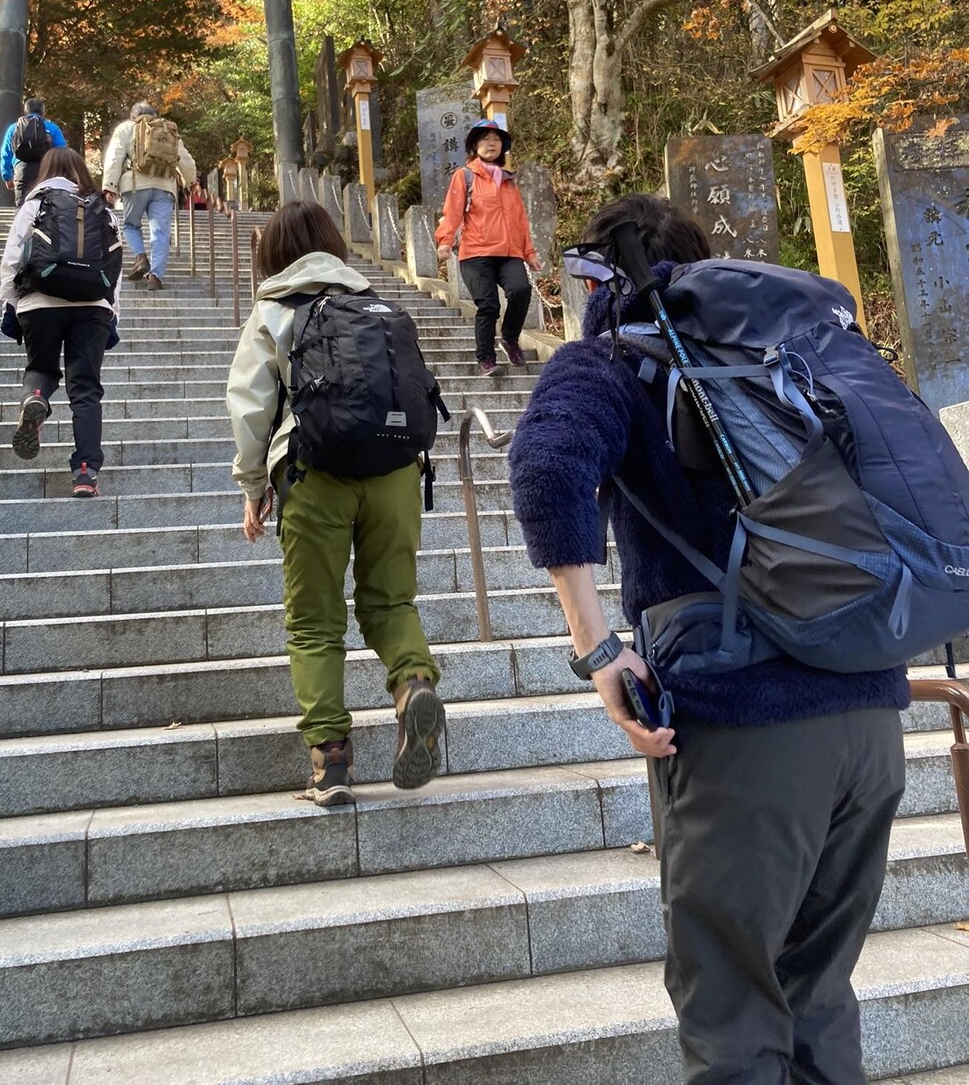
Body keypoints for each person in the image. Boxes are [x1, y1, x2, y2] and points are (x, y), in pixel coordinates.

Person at [508, 192, 907, 1085]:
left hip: (744, 731)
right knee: (817, 999)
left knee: (732, 1015)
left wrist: (599, 649)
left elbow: (544, 470)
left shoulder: (608, 362)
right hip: (873, 716)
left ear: (599, 280)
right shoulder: (798, 353)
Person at [226, 200, 446, 808]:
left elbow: (249, 406)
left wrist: (253, 487)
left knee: (315, 621)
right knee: (390, 600)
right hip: (396, 471)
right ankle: (412, 684)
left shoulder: (275, 308)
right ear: (333, 245)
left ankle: (331, 762)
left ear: (271, 253)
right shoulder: (377, 305)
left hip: (314, 472)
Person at [0, 147, 122, 498]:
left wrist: (10, 305)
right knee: (85, 388)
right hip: (93, 305)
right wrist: (112, 313)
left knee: (42, 367)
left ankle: (36, 396)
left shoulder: (35, 204)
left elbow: (11, 259)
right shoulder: (101, 209)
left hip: (40, 301)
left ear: (46, 171)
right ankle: (85, 472)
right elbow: (115, 266)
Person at [434, 120, 541, 376]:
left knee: (521, 290)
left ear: (503, 146)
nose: (491, 143)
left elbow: (520, 220)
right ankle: (486, 359)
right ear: (474, 146)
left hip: (509, 252)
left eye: (496, 139)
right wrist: (445, 240)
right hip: (476, 253)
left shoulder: (509, 181)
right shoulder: (465, 176)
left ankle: (510, 338)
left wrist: (529, 252)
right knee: (489, 305)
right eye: (484, 139)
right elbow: (453, 210)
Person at [102, 101, 196, 291]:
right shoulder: (167, 130)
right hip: (165, 186)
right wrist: (191, 182)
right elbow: (183, 158)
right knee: (161, 232)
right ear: (154, 114)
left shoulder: (126, 128)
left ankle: (140, 257)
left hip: (135, 184)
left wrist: (109, 186)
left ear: (133, 115)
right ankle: (155, 276)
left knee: (130, 225)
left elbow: (115, 157)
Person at [0, 97, 68, 206]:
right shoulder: (53, 128)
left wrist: (7, 177)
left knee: (22, 208)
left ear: (26, 111)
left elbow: (5, 154)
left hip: (22, 171)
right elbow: (62, 154)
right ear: (43, 112)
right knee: (46, 210)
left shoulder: (14, 128)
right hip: (46, 171)